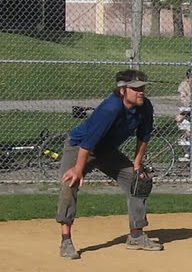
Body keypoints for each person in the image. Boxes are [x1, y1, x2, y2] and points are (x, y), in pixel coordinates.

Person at [55, 69, 163, 259]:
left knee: (136, 181)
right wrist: (78, 169)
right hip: (80, 146)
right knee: (69, 183)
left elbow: (144, 136)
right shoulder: (110, 108)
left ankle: (136, 235)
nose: (141, 92)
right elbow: (88, 142)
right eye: (136, 88)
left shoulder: (144, 107)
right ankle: (66, 240)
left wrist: (137, 164)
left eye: (143, 88)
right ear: (122, 90)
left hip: (106, 151)